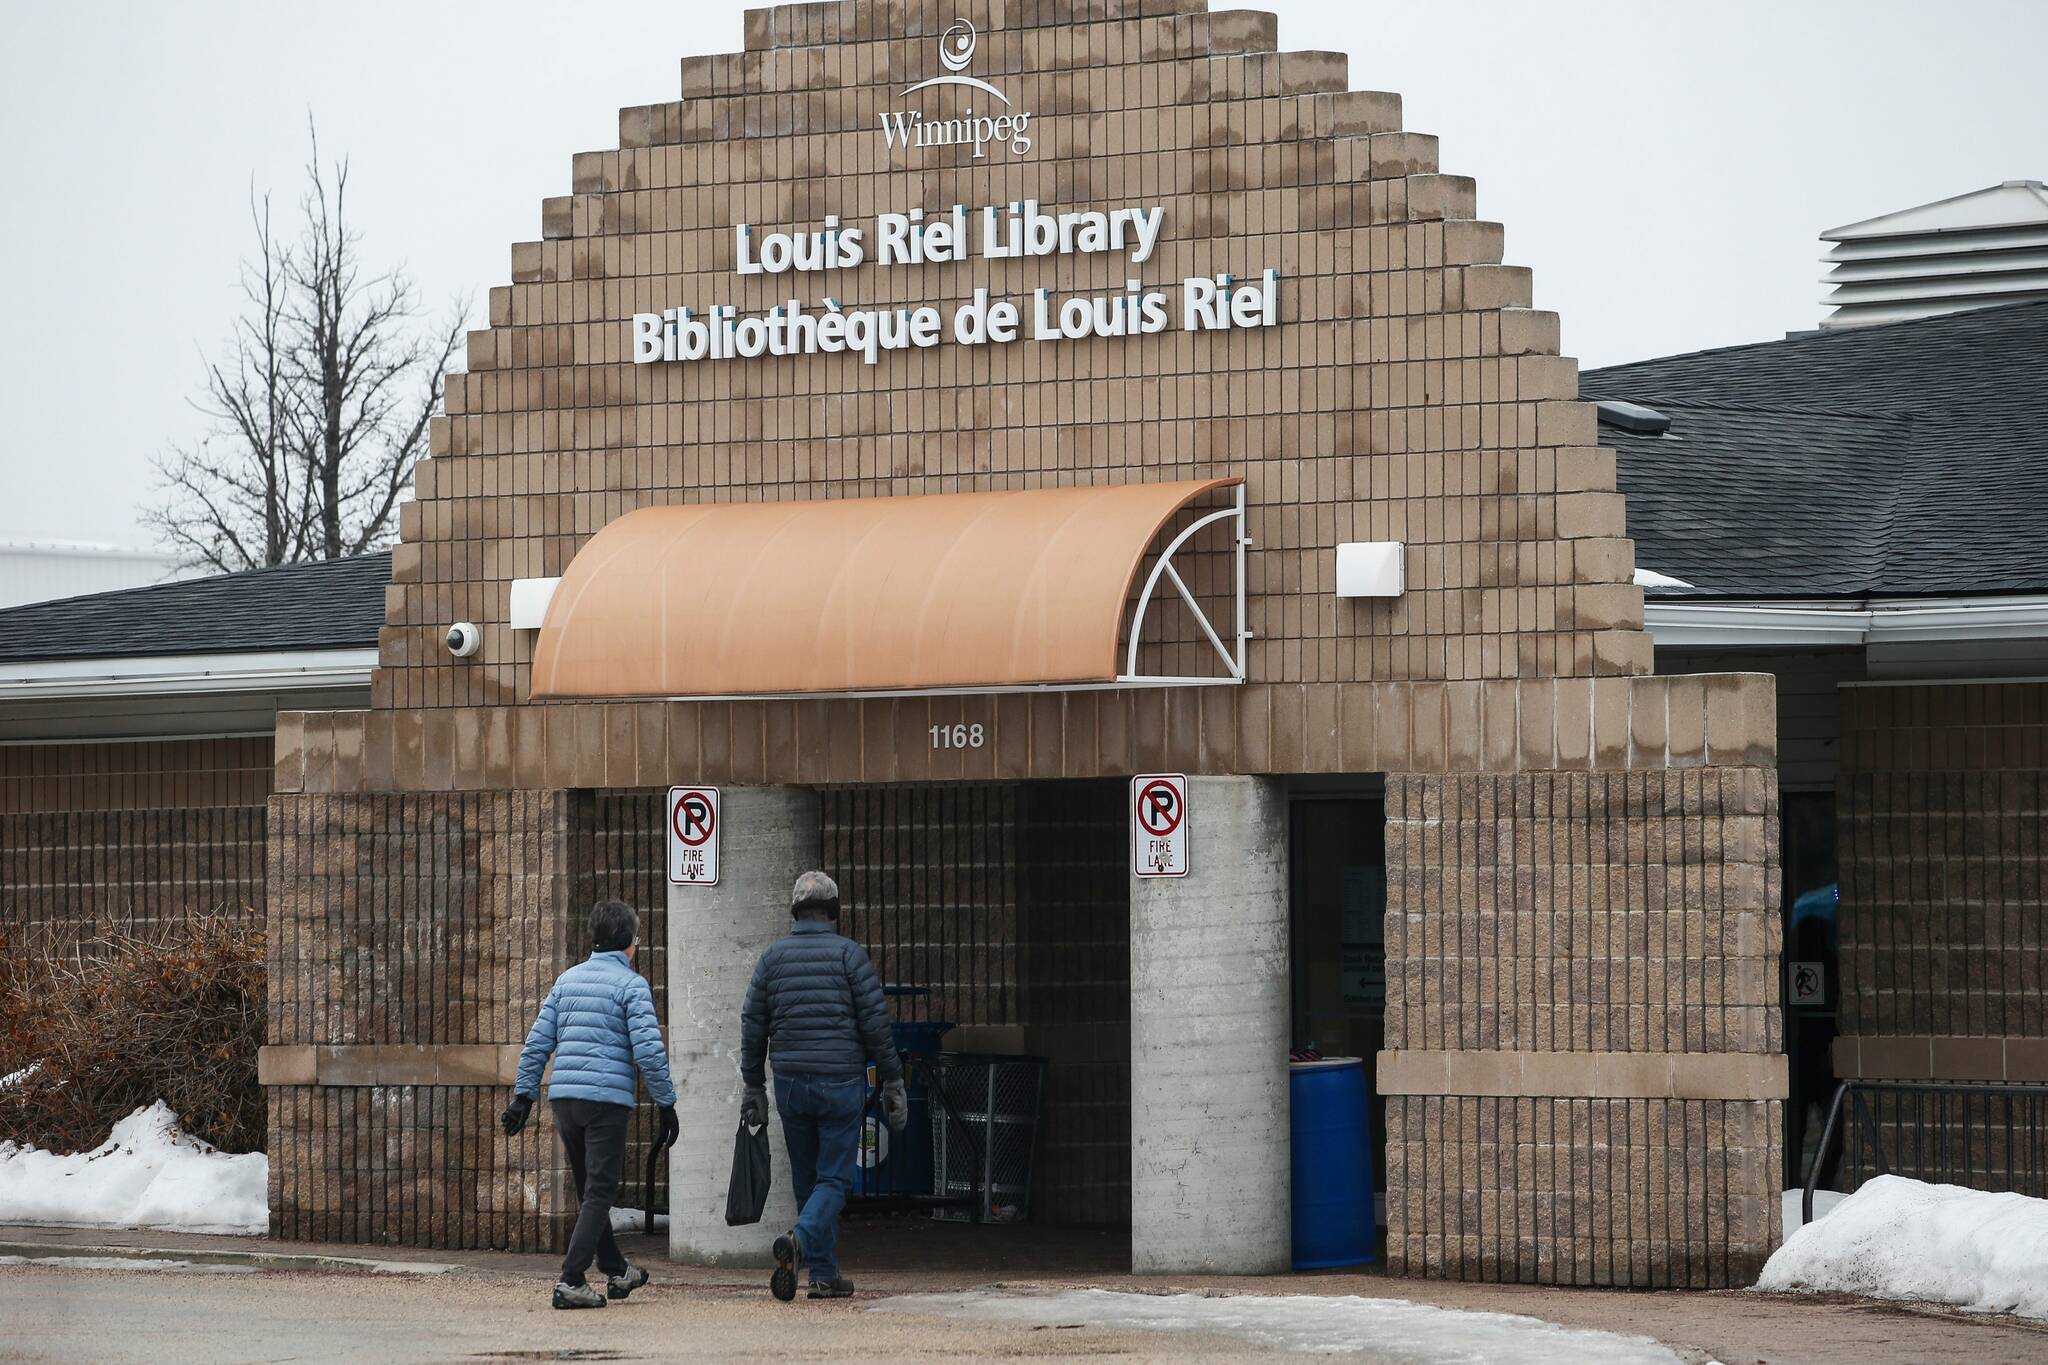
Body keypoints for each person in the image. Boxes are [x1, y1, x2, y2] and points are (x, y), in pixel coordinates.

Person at [501, 899, 680, 1310]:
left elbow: (537, 1044)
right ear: (629, 945)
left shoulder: (566, 981)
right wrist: (666, 1103)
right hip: (606, 1103)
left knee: (589, 1193)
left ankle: (617, 1270)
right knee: (600, 1192)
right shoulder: (631, 985)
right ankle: (571, 1279)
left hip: (565, 1101)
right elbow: (649, 1053)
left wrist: (523, 1097)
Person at [740, 871, 906, 1301]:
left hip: (791, 1084)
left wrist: (753, 1086)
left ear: (795, 912)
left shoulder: (771, 959)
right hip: (840, 1082)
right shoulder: (850, 956)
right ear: (834, 912)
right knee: (833, 1181)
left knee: (806, 1181)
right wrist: (892, 1078)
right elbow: (876, 1025)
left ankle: (824, 1274)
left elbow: (753, 1025)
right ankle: (798, 1242)